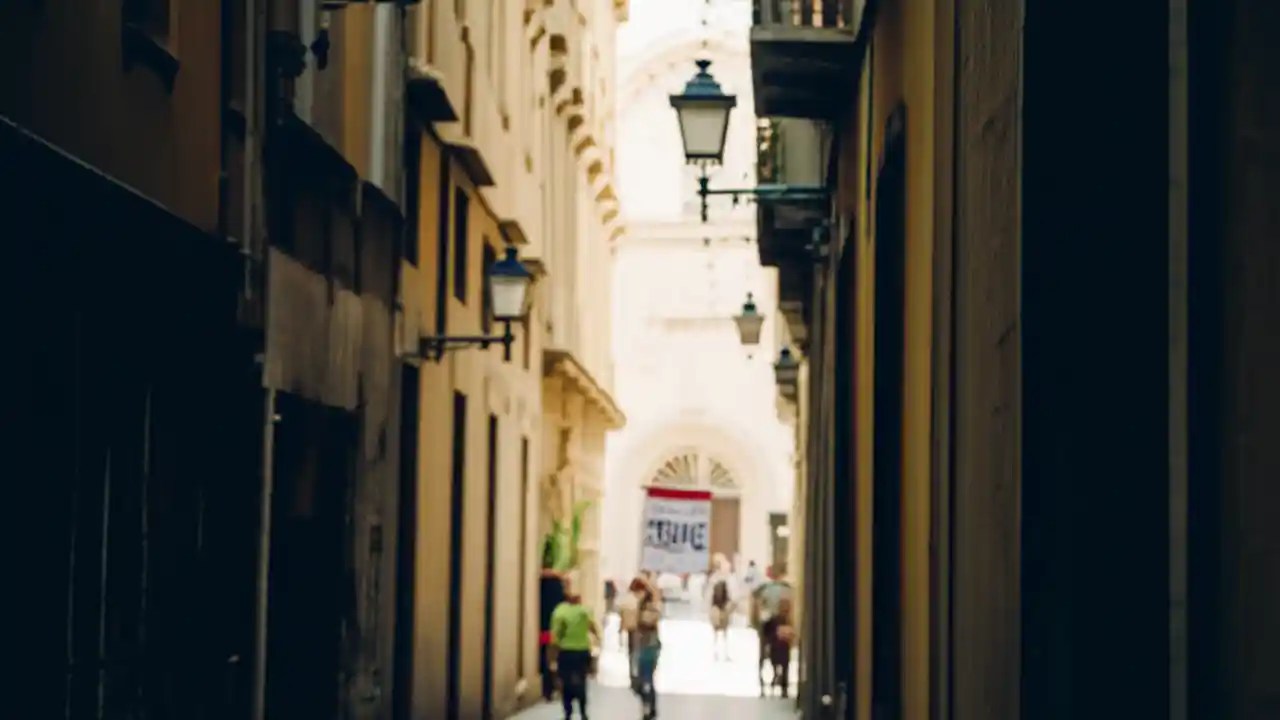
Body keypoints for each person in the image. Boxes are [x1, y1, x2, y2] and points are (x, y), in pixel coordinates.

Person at [551, 592, 599, 720]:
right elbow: (592, 626)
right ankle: (583, 712)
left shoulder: (560, 612)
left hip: (566, 651)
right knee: (582, 681)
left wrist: (553, 654)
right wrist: (597, 639)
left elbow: (555, 636)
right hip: (582, 651)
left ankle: (568, 713)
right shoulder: (585, 611)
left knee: (565, 682)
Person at [633, 577, 664, 720]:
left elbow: (649, 620)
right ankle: (650, 707)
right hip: (642, 645)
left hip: (650, 646)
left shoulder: (651, 606)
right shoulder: (641, 605)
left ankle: (649, 708)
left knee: (646, 679)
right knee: (642, 680)